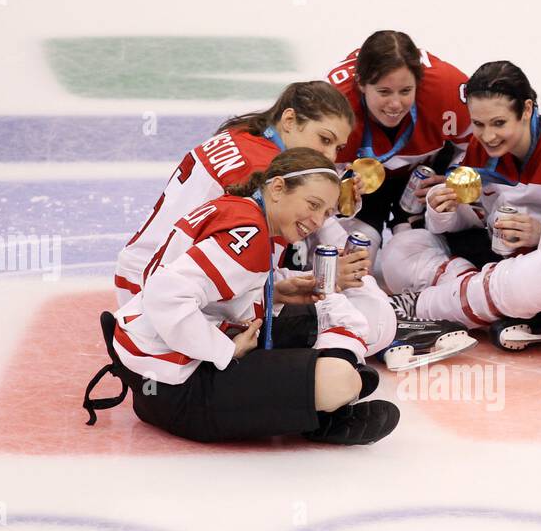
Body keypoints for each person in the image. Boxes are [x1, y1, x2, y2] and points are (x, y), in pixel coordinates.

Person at [83, 149, 400, 445]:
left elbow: (199, 289)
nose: (317, 221)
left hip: (156, 368)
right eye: (313, 204)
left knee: (323, 331)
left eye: (327, 213)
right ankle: (318, 417)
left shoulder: (243, 209)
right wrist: (225, 349)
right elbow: (164, 295)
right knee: (341, 381)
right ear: (277, 188)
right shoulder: (251, 235)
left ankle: (312, 398)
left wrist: (273, 292)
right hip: (176, 387)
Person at [113, 81, 397, 357]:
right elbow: (250, 275)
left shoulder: (249, 136)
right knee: (370, 315)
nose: (329, 155)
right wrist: (325, 277)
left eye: (337, 148)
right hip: (164, 303)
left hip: (144, 280)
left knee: (334, 288)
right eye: (324, 139)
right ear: (289, 120)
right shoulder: (264, 171)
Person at [381, 61, 541, 348]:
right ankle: (489, 306)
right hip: (505, 267)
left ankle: (418, 311)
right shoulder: (481, 149)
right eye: (478, 124)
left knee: (538, 272)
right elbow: (481, 221)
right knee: (402, 249)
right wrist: (446, 210)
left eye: (499, 123)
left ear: (526, 109)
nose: (487, 136)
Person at [326, 30, 472, 262]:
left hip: (427, 176)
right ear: (361, 84)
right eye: (384, 91)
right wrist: (339, 191)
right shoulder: (331, 104)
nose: (395, 104)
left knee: (416, 254)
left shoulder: (448, 89)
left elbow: (483, 146)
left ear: (419, 83)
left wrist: (454, 179)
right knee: (353, 260)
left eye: (406, 91)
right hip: (363, 184)